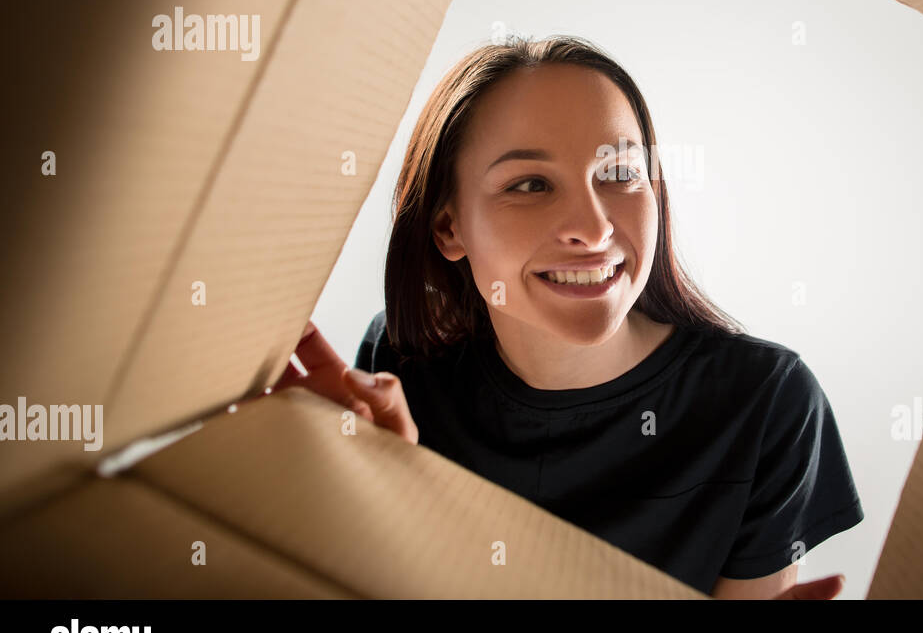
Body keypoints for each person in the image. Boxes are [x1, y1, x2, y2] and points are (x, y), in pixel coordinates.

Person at [274, 35, 863, 599]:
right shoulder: (403, 363)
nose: (594, 227)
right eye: (531, 184)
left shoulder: (767, 405)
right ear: (449, 227)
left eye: (619, 174)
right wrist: (353, 497)